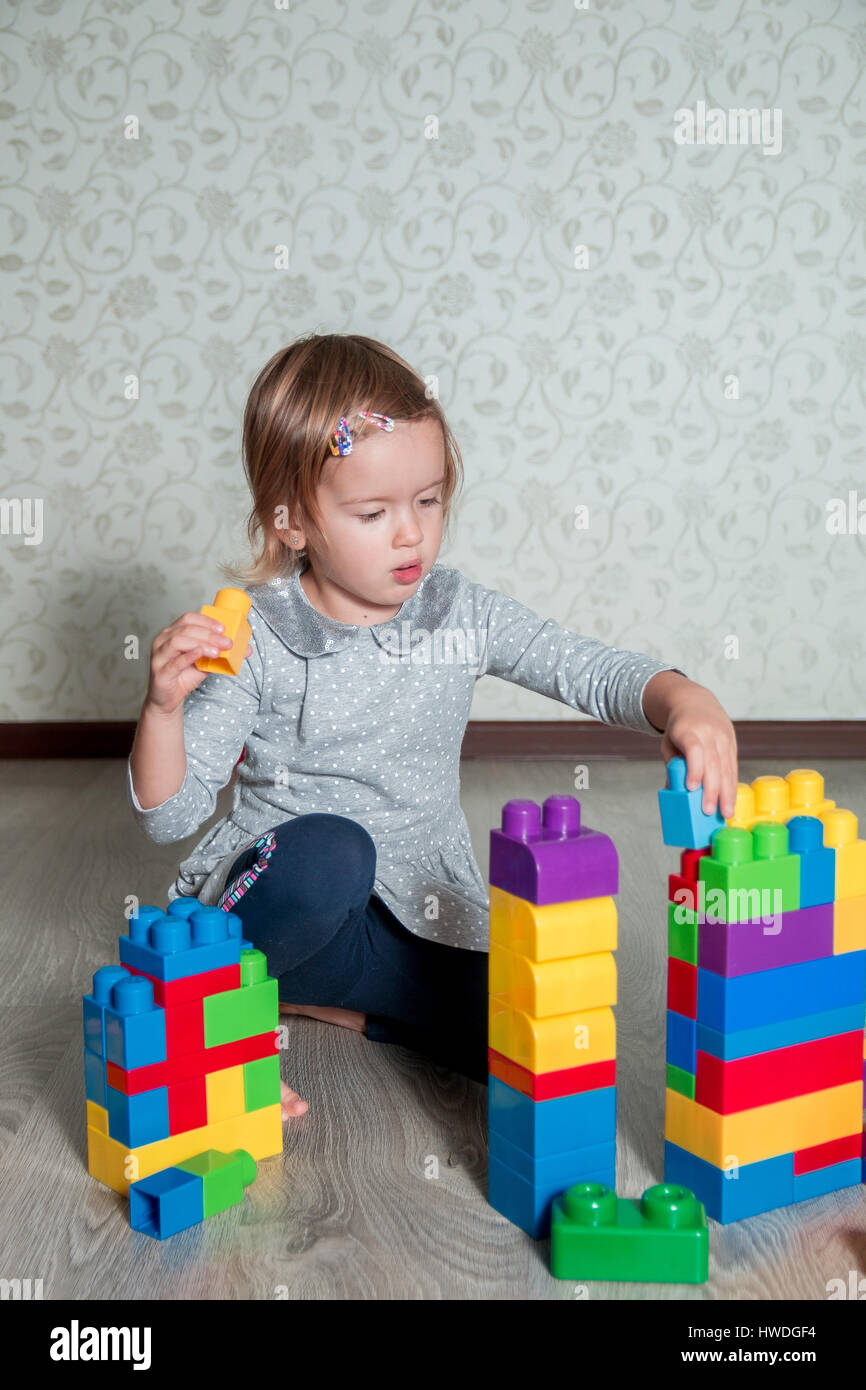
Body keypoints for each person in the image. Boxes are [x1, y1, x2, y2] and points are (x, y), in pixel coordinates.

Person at [128, 333, 738, 1120]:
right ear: (292, 524)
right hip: (281, 896)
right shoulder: (260, 635)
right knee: (330, 856)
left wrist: (681, 699)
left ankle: (330, 996)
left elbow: (583, 665)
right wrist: (163, 710)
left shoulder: (459, 611)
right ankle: (206, 1015)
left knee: (540, 1040)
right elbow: (170, 815)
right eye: (373, 511)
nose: (411, 532)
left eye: (429, 499)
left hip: (413, 904)